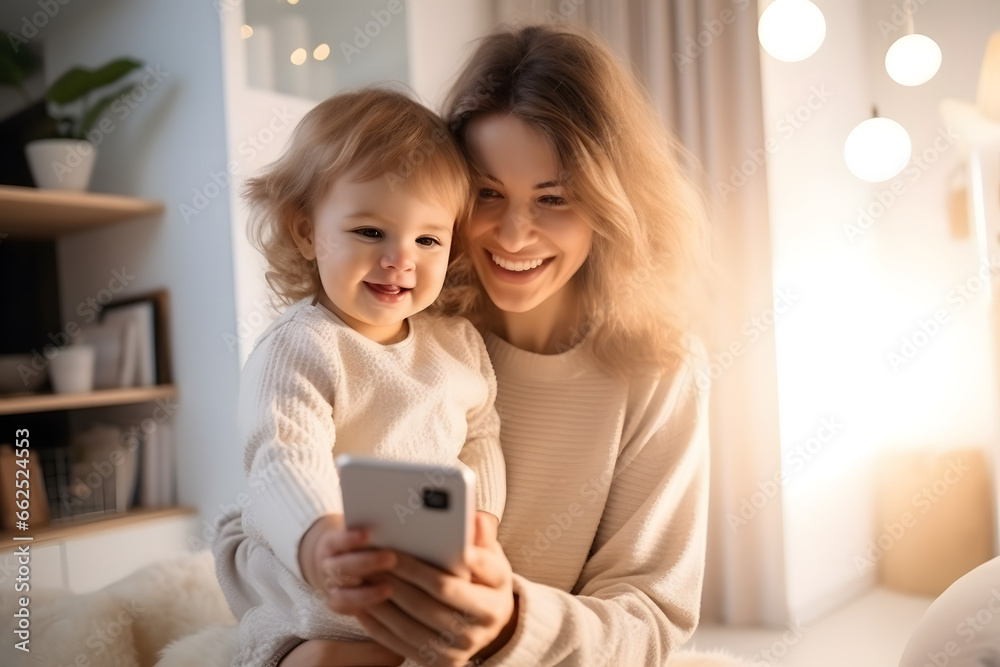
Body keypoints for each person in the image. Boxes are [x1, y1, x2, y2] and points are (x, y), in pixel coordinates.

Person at [215, 23, 712, 667]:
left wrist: (510, 623)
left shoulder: (658, 369)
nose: (512, 235)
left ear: (609, 205)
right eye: (487, 193)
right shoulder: (402, 324)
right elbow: (251, 516)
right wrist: (329, 584)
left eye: (554, 197)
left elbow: (651, 617)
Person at [219, 87, 507, 667]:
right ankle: (283, 649)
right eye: (371, 232)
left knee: (459, 640)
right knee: (330, 652)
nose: (400, 258)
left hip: (415, 545)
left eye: (427, 239)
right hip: (304, 552)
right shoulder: (299, 347)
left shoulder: (456, 345)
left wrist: (480, 522)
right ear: (306, 232)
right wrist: (321, 540)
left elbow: (482, 439)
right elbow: (283, 459)